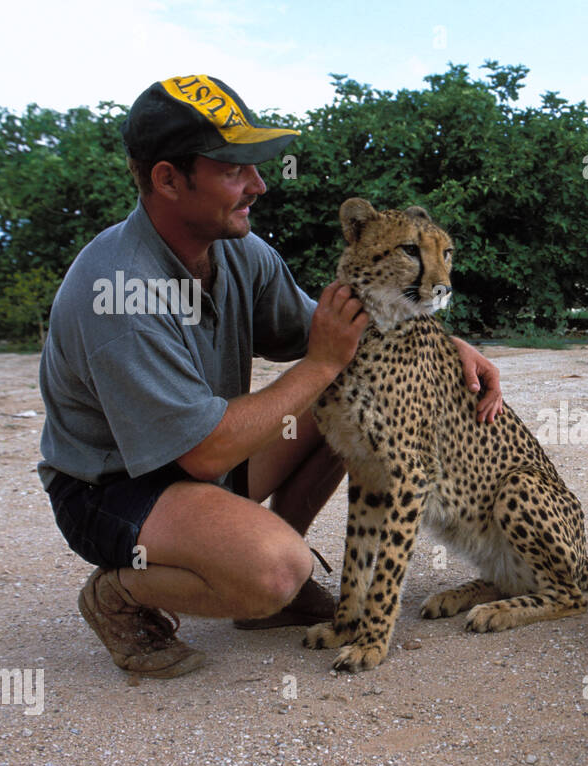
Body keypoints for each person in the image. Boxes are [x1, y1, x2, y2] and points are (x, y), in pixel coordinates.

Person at [38, 75, 503, 678]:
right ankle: (123, 593)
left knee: (356, 398)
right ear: (167, 179)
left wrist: (447, 343)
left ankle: (262, 584)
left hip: (200, 457)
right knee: (275, 570)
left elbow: (340, 332)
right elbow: (207, 452)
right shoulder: (119, 290)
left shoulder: (239, 250)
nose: (258, 184)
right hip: (113, 488)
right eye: (234, 169)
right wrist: (321, 364)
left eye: (255, 166)